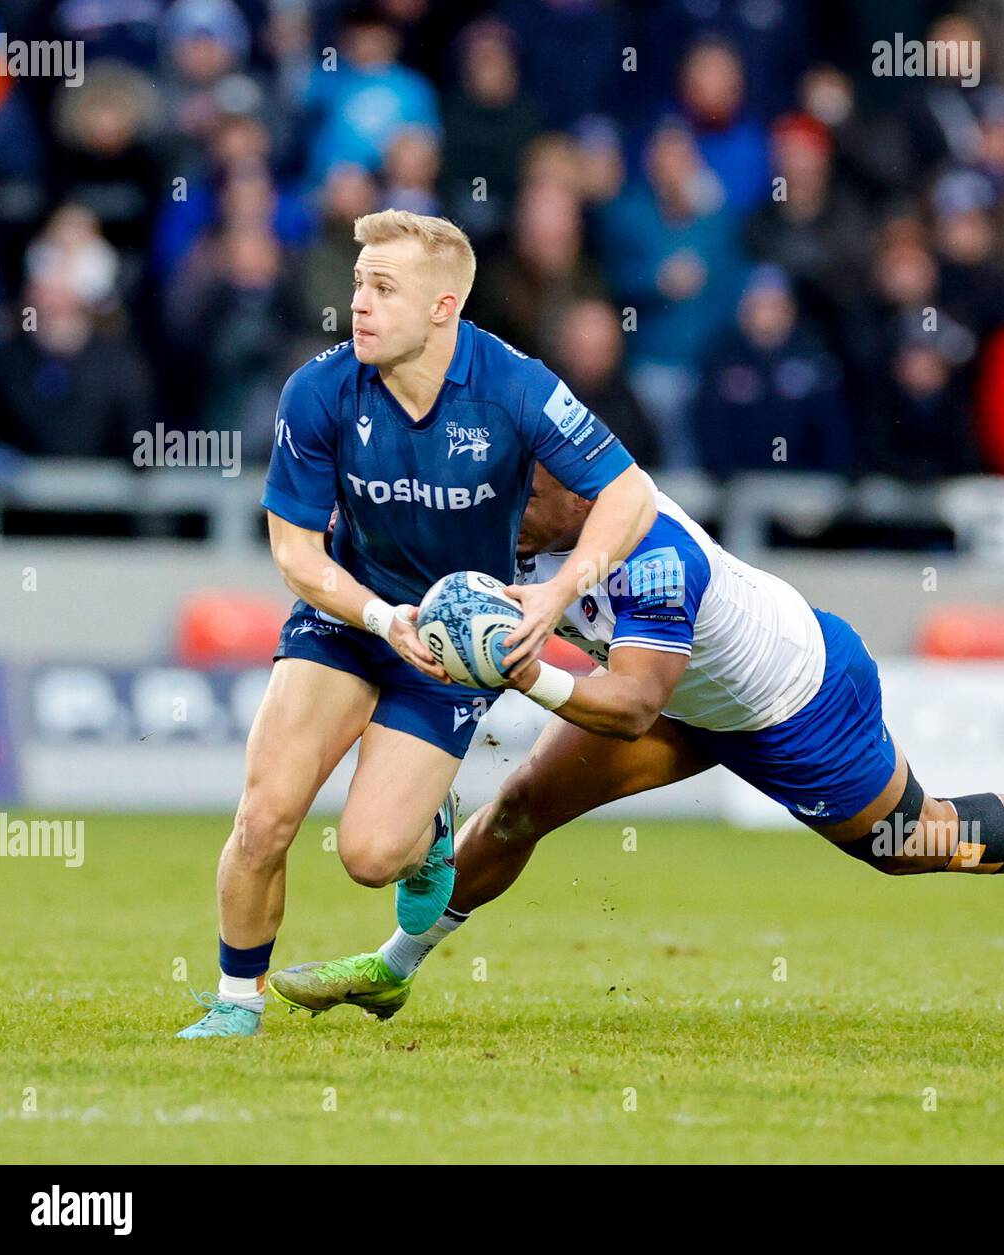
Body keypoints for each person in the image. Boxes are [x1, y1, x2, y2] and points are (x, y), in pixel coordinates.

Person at [269, 467, 1004, 1022]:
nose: (507, 514)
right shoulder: (528, 534)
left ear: (576, 496)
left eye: (526, 496)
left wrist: (525, 673)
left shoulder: (652, 554)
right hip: (687, 697)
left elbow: (629, 707)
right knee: (522, 803)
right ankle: (393, 968)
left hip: (795, 704)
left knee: (914, 842)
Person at [176, 211, 656, 1038]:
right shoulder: (319, 389)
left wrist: (556, 593)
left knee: (370, 857)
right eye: (359, 283)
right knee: (264, 816)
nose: (359, 304)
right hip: (348, 618)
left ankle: (428, 832)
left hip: (452, 648)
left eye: (383, 288)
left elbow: (630, 490)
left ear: (443, 308)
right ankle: (236, 1001)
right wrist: (375, 613)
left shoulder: (514, 385)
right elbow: (294, 552)